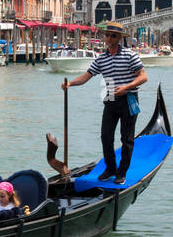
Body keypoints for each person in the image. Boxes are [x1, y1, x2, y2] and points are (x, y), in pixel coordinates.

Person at [61, 21, 147, 185]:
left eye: (113, 35)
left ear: (119, 38)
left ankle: (121, 173)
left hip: (129, 99)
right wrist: (70, 84)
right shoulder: (101, 58)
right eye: (107, 35)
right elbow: (86, 76)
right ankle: (110, 168)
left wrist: (126, 87)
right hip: (110, 99)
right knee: (106, 136)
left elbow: (143, 76)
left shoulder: (130, 55)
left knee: (126, 139)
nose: (109, 37)